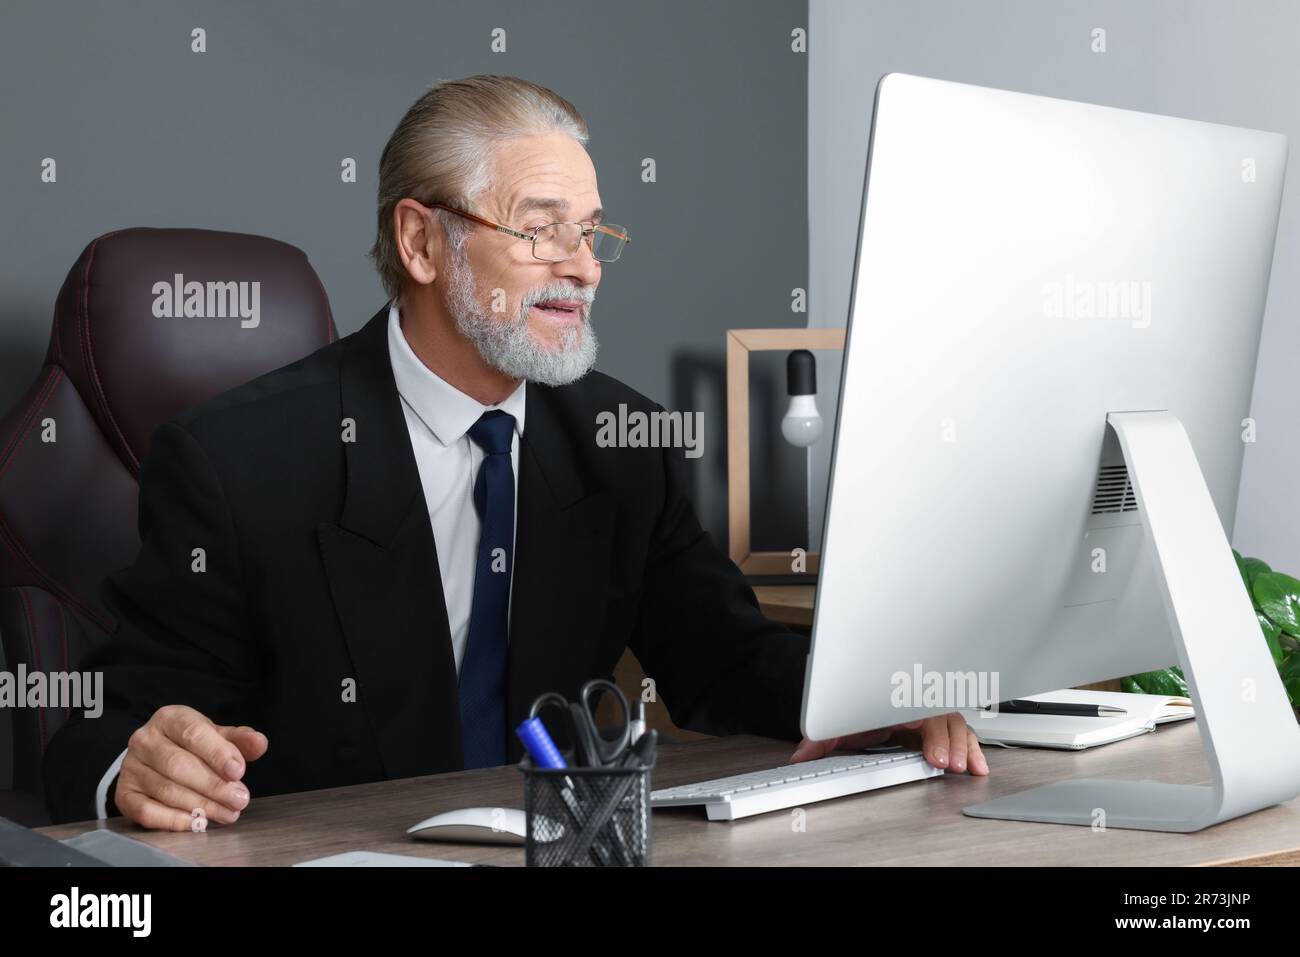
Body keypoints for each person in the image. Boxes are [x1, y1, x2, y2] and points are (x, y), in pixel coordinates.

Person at [43, 74, 986, 829]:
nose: (583, 265)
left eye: (593, 231)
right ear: (422, 242)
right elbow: (108, 727)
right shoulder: (236, 458)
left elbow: (724, 660)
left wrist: (871, 697)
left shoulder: (623, 443)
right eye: (540, 229)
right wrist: (140, 764)